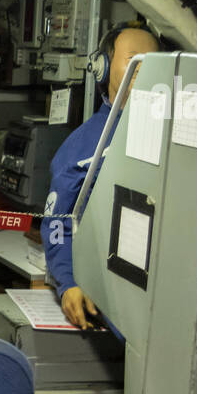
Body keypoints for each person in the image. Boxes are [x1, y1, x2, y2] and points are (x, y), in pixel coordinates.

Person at [42, 26, 161, 330]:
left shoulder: (176, 136)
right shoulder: (83, 148)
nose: (144, 71)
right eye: (134, 61)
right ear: (104, 69)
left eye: (154, 62)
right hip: (116, 291)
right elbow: (57, 223)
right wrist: (68, 282)